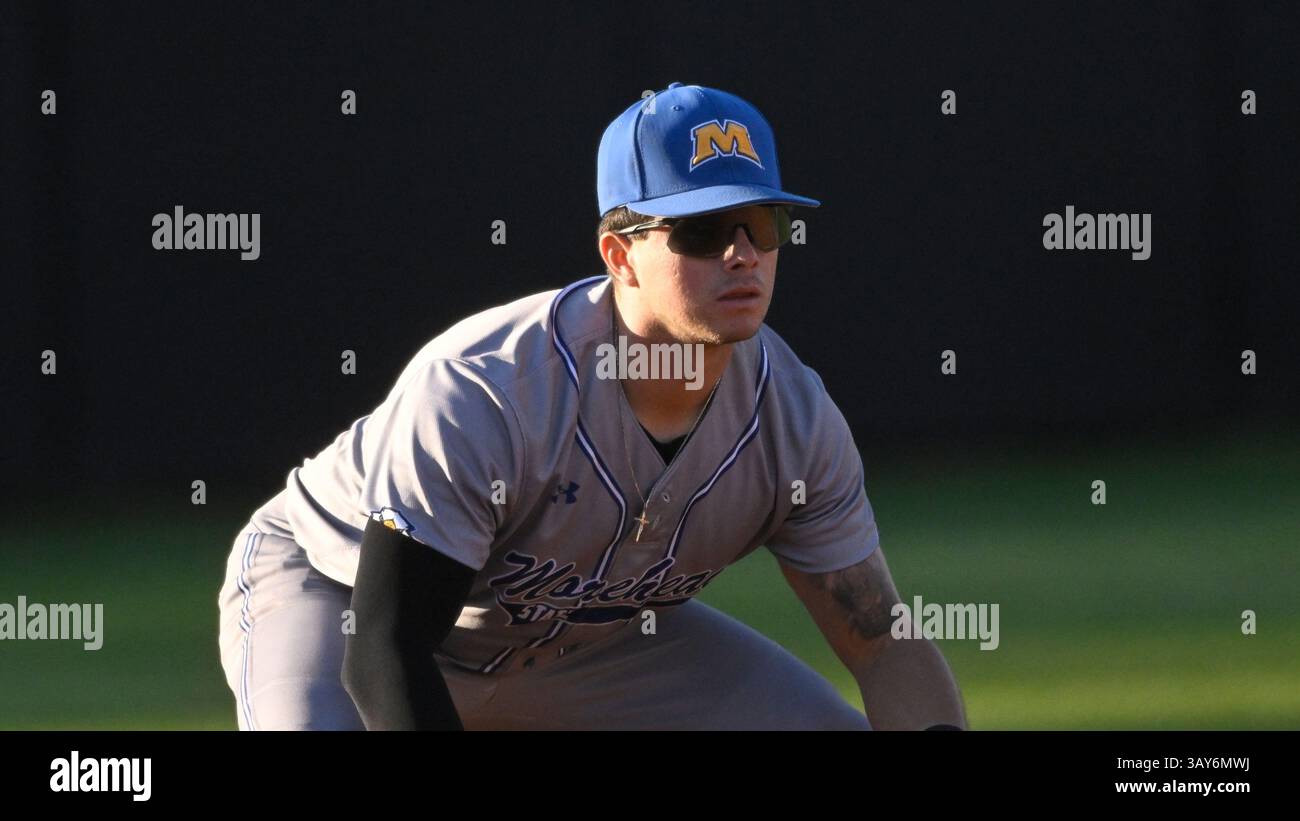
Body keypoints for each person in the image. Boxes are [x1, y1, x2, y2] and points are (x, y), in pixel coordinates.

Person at [217, 82, 966, 730]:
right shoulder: (489, 387)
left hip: (584, 645)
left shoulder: (794, 421)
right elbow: (385, 645)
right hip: (335, 598)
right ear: (619, 254)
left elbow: (880, 641)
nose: (741, 254)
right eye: (703, 230)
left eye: (762, 224)